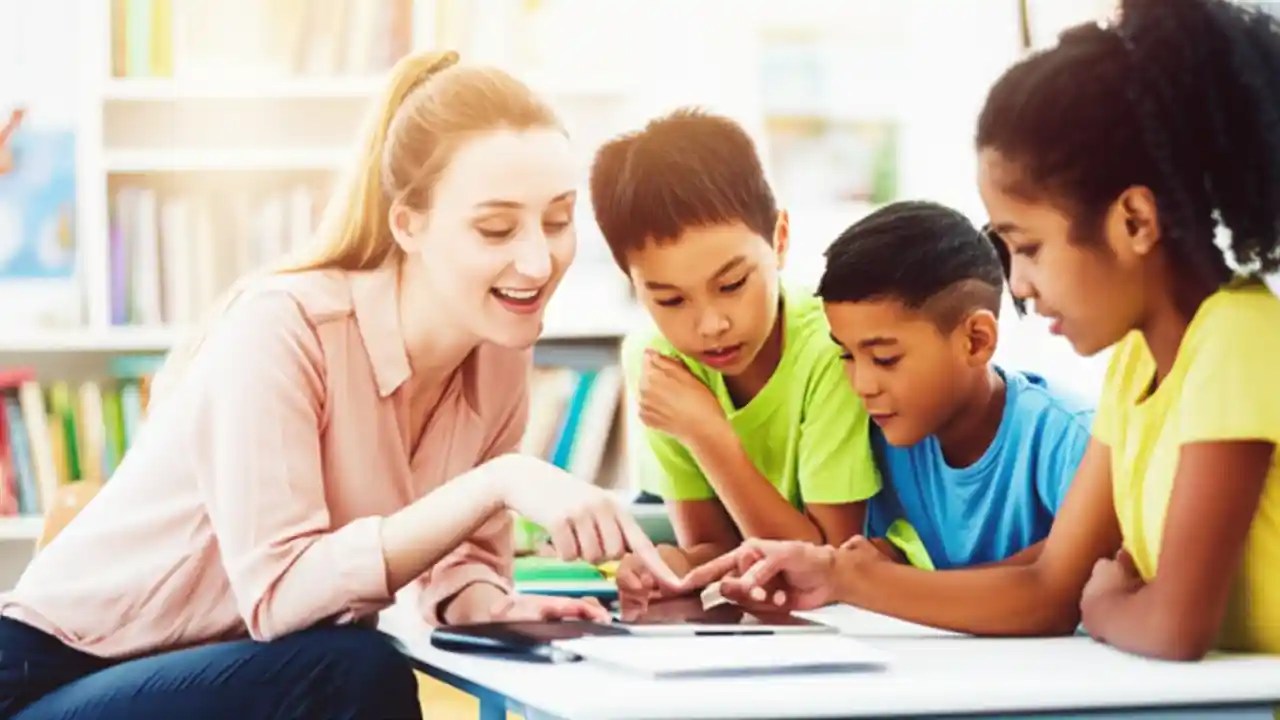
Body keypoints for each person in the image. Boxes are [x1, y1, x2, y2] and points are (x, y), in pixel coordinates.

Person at [0, 50, 675, 719]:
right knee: (349, 668)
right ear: (407, 223)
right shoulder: (283, 328)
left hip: (235, 673)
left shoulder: (497, 350)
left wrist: (494, 608)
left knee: (356, 660)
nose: (537, 260)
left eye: (557, 221)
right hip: (47, 676)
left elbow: (460, 560)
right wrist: (498, 481)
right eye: (495, 227)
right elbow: (280, 597)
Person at [681, 0, 1280, 661]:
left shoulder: (1238, 338)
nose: (1018, 284)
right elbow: (1048, 588)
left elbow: (1169, 627)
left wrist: (1104, 602)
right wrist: (838, 575)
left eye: (1028, 248)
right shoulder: (1136, 365)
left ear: (1134, 221)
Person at [588, 109, 880, 614]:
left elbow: (825, 568)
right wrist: (670, 565)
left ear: (780, 241)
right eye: (670, 301)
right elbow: (714, 547)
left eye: (732, 285)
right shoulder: (656, 361)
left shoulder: (833, 348)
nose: (710, 325)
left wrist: (708, 435)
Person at [820, 200, 1092, 572]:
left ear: (976, 341)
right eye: (846, 356)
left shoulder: (1072, 440)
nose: (862, 385)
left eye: (885, 358)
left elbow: (1061, 579)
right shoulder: (868, 438)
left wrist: (880, 581)